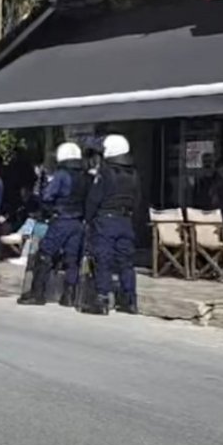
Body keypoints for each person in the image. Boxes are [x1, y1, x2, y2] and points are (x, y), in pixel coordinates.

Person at [19, 142, 88, 307]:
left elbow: (48, 196)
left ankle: (37, 293)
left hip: (61, 219)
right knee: (72, 259)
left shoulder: (62, 175)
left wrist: (47, 209)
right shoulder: (85, 176)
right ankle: (69, 296)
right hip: (78, 221)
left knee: (45, 254)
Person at [84, 134, 140, 315]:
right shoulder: (133, 174)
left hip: (106, 221)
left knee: (104, 260)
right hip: (126, 221)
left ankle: (101, 299)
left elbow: (94, 199)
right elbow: (138, 200)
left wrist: (88, 218)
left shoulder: (106, 174)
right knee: (126, 262)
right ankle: (129, 300)